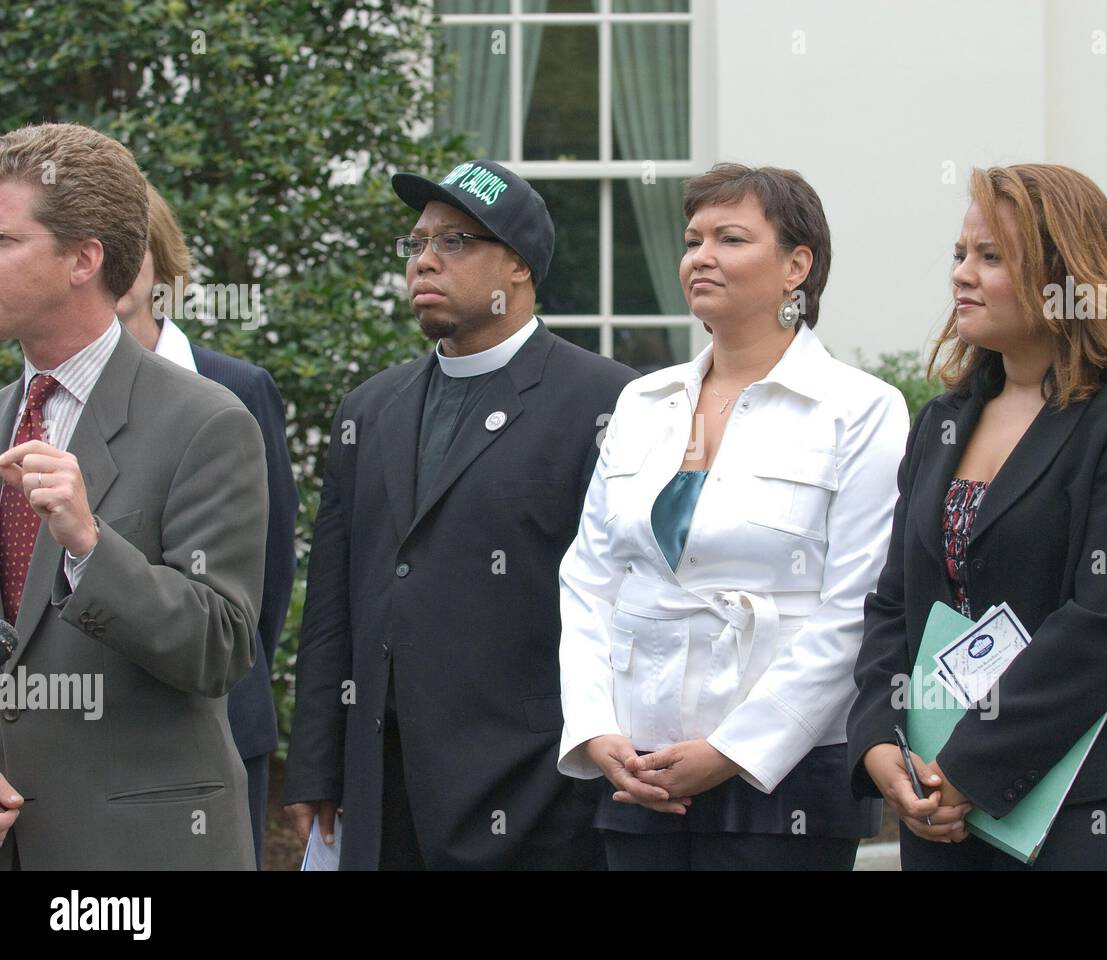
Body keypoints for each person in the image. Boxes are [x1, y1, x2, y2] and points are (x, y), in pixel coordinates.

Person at [283, 159, 636, 869]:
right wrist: (318, 765)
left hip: (537, 791)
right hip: (383, 790)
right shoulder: (370, 408)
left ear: (518, 267)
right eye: (415, 245)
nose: (424, 262)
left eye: (454, 242)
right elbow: (333, 601)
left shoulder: (606, 402)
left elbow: (625, 599)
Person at [557, 163, 910, 870]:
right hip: (639, 769)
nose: (701, 257)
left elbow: (855, 606)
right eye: (692, 240)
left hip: (789, 777)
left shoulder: (861, 410)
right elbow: (589, 581)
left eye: (731, 238)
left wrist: (733, 750)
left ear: (796, 266)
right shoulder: (641, 402)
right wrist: (596, 730)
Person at [846, 163, 1107, 870]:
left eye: (991, 257)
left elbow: (1103, 623)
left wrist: (972, 768)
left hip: (1092, 808)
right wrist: (881, 741)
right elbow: (895, 602)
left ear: (1065, 276)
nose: (961, 275)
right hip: (940, 806)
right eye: (958, 254)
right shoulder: (942, 421)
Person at [0, 122, 266, 869]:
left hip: (136, 853)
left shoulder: (208, 420)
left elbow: (220, 646)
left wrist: (89, 544)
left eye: (2, 242)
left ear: (83, 259)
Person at [116, 183, 298, 868]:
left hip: (221, 716)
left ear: (161, 266)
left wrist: (231, 668)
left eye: (127, 252)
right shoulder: (45, 390)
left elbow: (269, 573)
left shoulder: (236, 388)